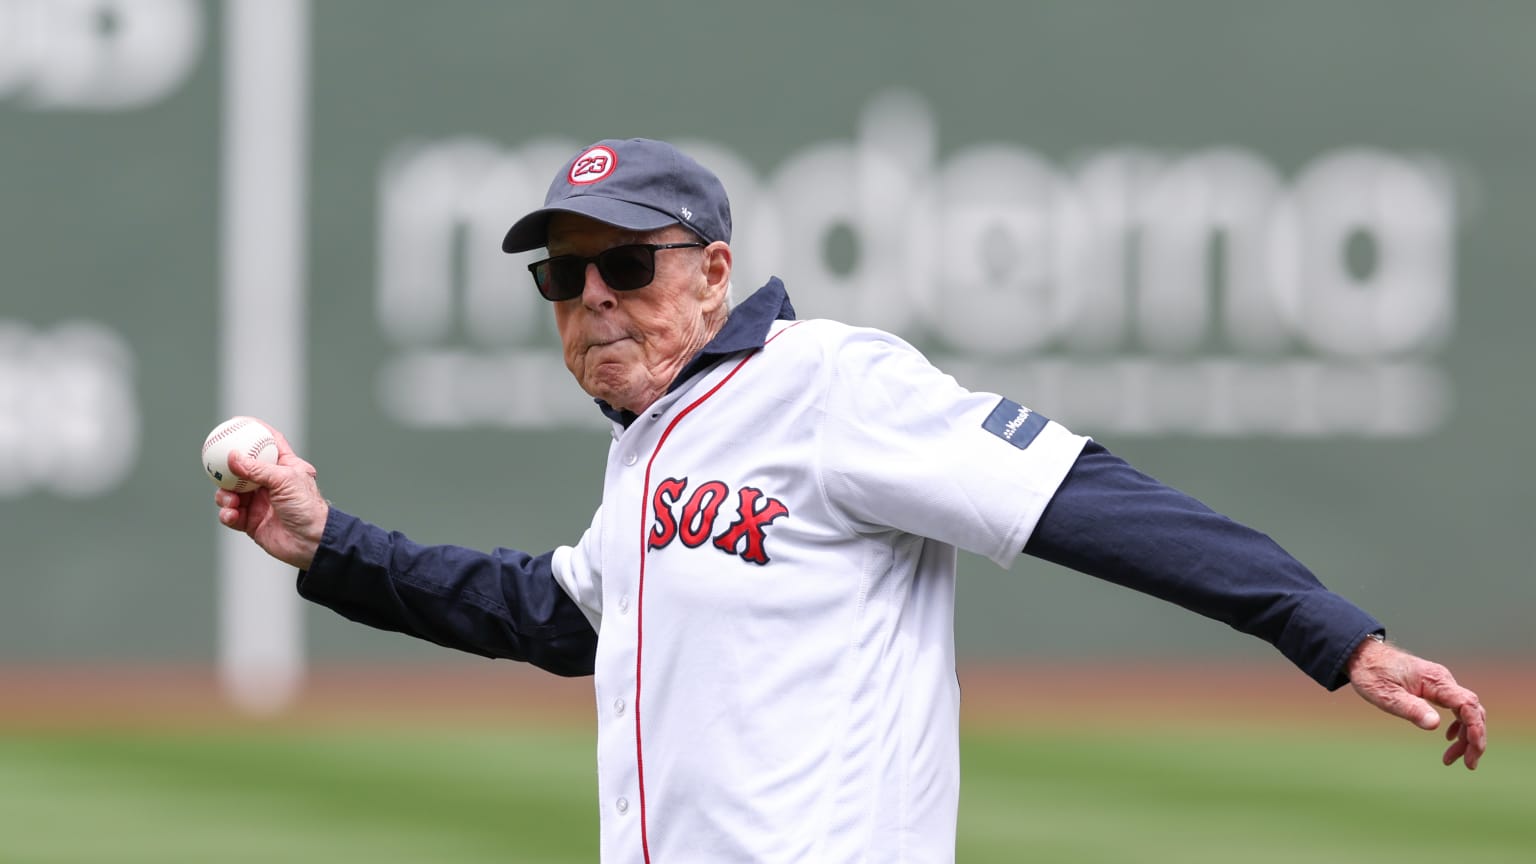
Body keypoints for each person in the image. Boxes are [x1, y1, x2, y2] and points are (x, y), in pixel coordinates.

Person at [213, 137, 1487, 864]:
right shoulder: (652, 443)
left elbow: (1077, 495)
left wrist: (1333, 634)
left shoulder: (826, 382)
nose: (593, 296)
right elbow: (561, 617)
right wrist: (328, 546)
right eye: (564, 274)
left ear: (712, 272)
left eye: (627, 262)